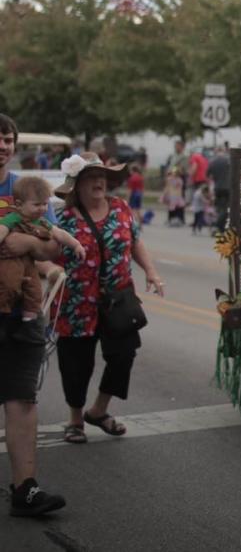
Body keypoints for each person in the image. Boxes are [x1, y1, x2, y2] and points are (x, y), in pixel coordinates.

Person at [52, 153, 165, 444]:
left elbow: (135, 241)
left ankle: (98, 411)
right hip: (76, 302)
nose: (99, 181)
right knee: (76, 363)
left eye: (102, 176)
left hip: (118, 299)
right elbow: (46, 256)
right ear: (77, 184)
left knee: (123, 354)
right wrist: (50, 272)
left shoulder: (121, 209)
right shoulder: (61, 218)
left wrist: (151, 272)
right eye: (91, 176)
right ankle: (75, 420)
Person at [0, 115, 67, 517]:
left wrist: (20, 240)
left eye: (7, 139)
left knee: (22, 397)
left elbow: (49, 247)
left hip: (21, 312)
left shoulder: (25, 187)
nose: (3, 146)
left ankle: (25, 489)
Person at [0, 177, 84, 329]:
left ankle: (30, 316)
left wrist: (76, 244)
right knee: (9, 284)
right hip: (10, 263)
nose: (43, 209)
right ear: (19, 205)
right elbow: (2, 230)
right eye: (37, 205)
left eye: (45, 204)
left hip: (30, 265)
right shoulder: (13, 217)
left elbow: (59, 234)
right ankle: (4, 308)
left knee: (34, 289)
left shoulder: (42, 221)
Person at [208, 143, 232, 232]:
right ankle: (219, 225)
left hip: (217, 187)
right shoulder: (228, 160)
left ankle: (219, 225)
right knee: (226, 207)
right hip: (228, 187)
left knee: (219, 207)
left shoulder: (213, 161)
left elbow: (208, 174)